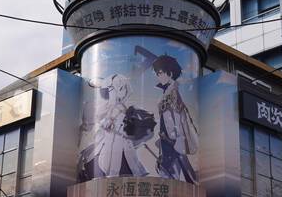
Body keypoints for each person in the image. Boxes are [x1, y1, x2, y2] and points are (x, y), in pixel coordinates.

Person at [78, 74, 151, 180]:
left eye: (111, 89)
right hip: (109, 140)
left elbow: (110, 119)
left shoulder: (120, 107)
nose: (109, 93)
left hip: (117, 142)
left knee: (119, 163)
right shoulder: (112, 106)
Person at [153, 54, 198, 183]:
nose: (158, 76)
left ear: (170, 73)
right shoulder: (167, 93)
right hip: (168, 142)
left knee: (175, 176)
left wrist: (175, 140)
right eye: (157, 73)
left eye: (160, 72)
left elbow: (178, 118)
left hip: (173, 142)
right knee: (171, 176)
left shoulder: (173, 93)